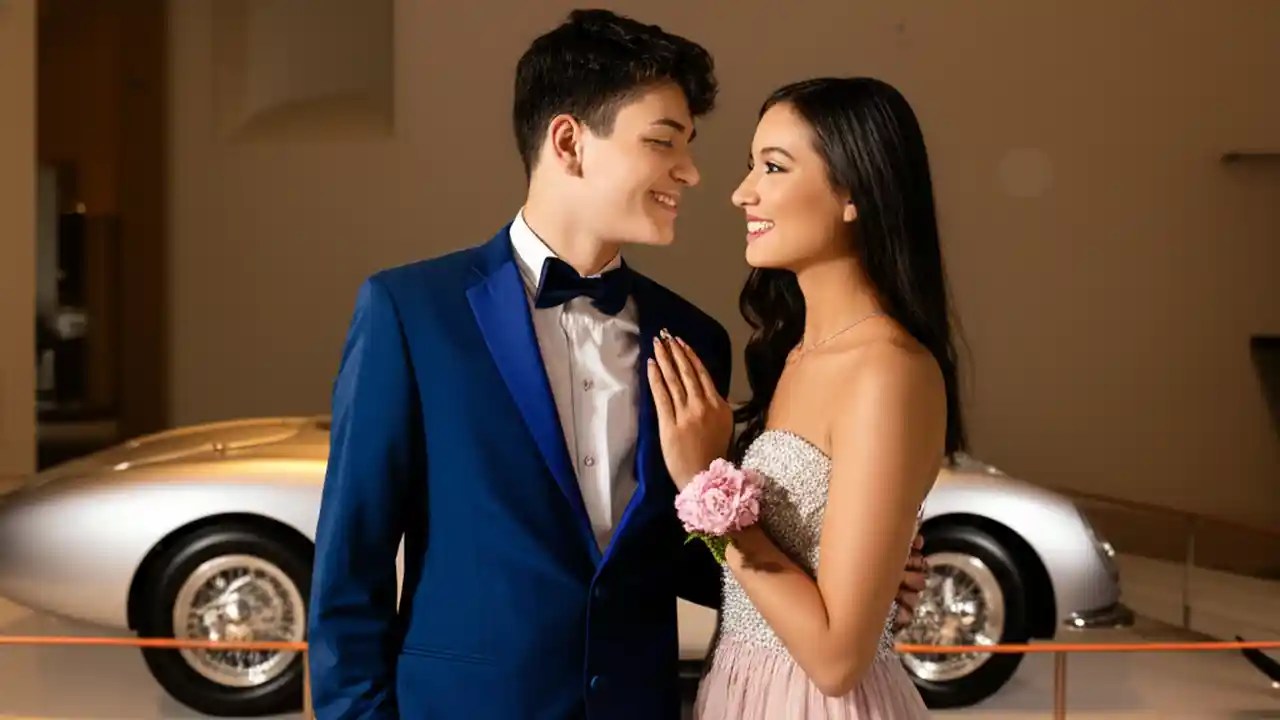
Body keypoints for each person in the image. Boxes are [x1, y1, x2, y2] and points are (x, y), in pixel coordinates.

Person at [307, 10, 929, 719]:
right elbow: (349, 574)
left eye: (691, 146)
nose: (693, 174)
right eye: (664, 143)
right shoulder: (411, 314)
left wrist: (849, 574)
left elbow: (671, 552)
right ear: (569, 142)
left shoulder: (693, 338)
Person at [648, 76, 962, 718]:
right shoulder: (792, 357)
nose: (742, 192)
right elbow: (769, 579)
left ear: (853, 192)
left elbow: (837, 659)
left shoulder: (888, 371)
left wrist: (703, 486)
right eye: (750, 165)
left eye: (773, 166)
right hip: (741, 692)